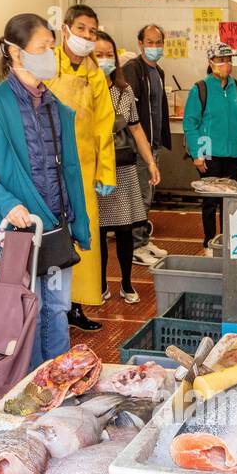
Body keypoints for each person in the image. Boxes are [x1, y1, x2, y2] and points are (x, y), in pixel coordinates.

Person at [0, 13, 91, 368]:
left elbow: (69, 170)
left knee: (58, 311)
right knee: (28, 313)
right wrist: (6, 203)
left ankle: (57, 384)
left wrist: (77, 222)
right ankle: (27, 393)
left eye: (51, 47)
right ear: (15, 52)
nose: (50, 55)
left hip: (55, 229)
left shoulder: (55, 107)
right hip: (16, 233)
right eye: (42, 47)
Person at [46, 4, 115, 333]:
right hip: (47, 168)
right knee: (50, 238)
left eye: (92, 31)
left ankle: (75, 307)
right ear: (65, 29)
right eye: (82, 28)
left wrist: (106, 172)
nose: (87, 36)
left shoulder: (96, 75)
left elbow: (105, 125)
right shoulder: (46, 64)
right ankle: (50, 309)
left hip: (84, 170)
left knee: (82, 239)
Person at [93, 31, 161, 304]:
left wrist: (151, 162)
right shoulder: (83, 90)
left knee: (123, 229)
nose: (105, 60)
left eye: (109, 54)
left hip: (122, 167)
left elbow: (136, 129)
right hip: (95, 169)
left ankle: (126, 283)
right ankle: (98, 285)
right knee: (97, 232)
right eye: (98, 55)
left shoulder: (123, 91)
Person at [183, 43, 237, 254]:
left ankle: (228, 241)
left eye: (229, 60)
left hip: (232, 153)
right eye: (222, 60)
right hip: (209, 154)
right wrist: (197, 154)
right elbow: (190, 123)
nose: (226, 65)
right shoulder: (200, 89)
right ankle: (209, 243)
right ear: (211, 62)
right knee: (211, 201)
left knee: (229, 201)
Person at [123, 24, 171, 266]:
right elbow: (129, 116)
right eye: (149, 42)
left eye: (158, 42)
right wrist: (140, 146)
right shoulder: (132, 70)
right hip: (138, 148)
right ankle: (135, 245)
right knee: (140, 195)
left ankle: (143, 240)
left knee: (148, 194)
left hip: (153, 145)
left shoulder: (158, 72)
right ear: (140, 44)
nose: (154, 47)